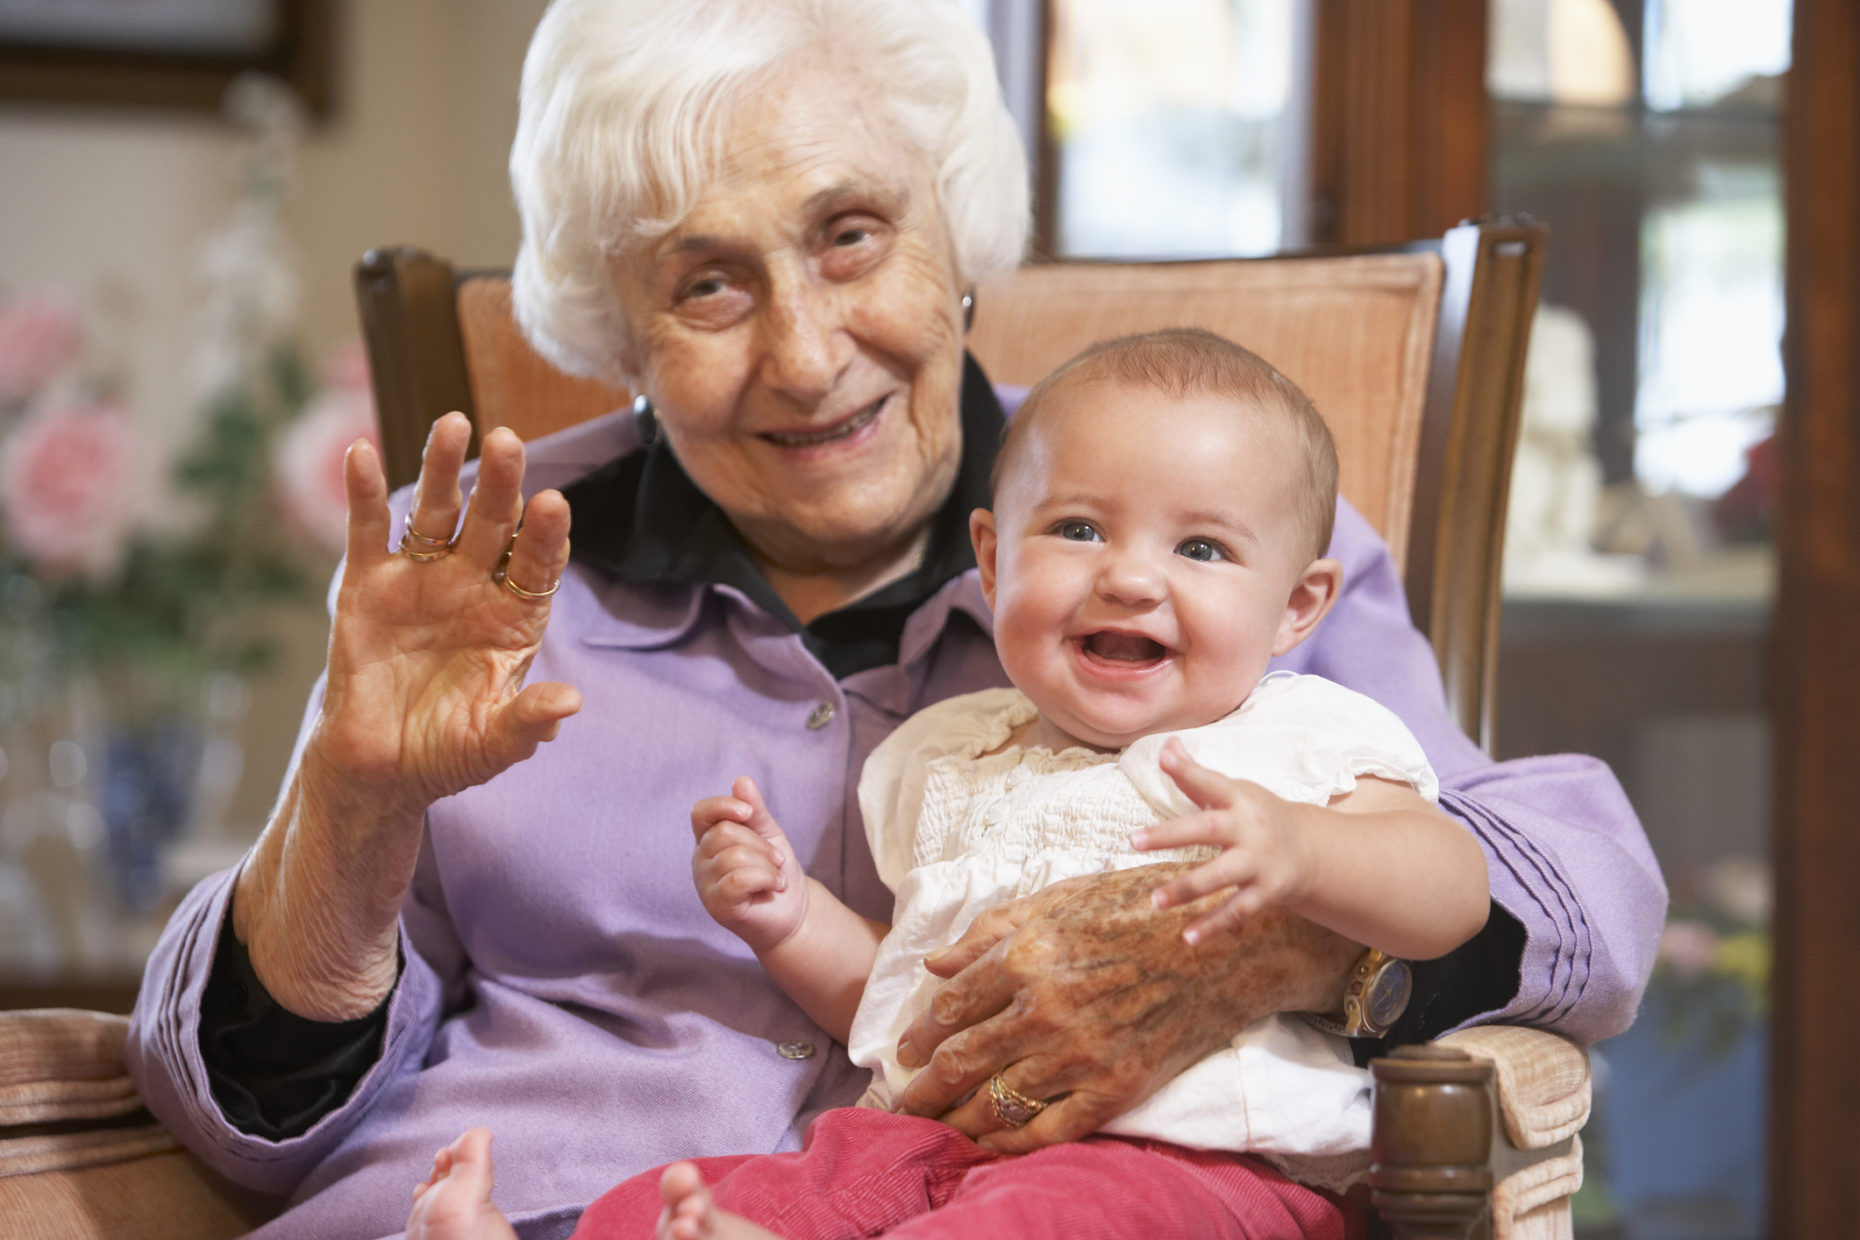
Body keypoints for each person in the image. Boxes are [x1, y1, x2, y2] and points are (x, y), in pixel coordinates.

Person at [122, 2, 1665, 1238]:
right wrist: (355, 800)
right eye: (707, 285)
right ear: (616, 327)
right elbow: (245, 1134)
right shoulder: (483, 580)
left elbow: (1581, 900)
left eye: (850, 234)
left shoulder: (1217, 547)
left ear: (957, 228)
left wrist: (1266, 941)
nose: (804, 356)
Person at [402, 329, 1493, 1240]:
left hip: (1196, 1172)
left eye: (1202, 548)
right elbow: (913, 1003)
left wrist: (1305, 852)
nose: (1127, 574)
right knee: (675, 1201)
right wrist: (788, 920)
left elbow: (1453, 889)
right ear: (993, 555)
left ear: (1299, 607)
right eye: (1075, 529)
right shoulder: (948, 755)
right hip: (933, 1140)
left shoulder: (1296, 735)